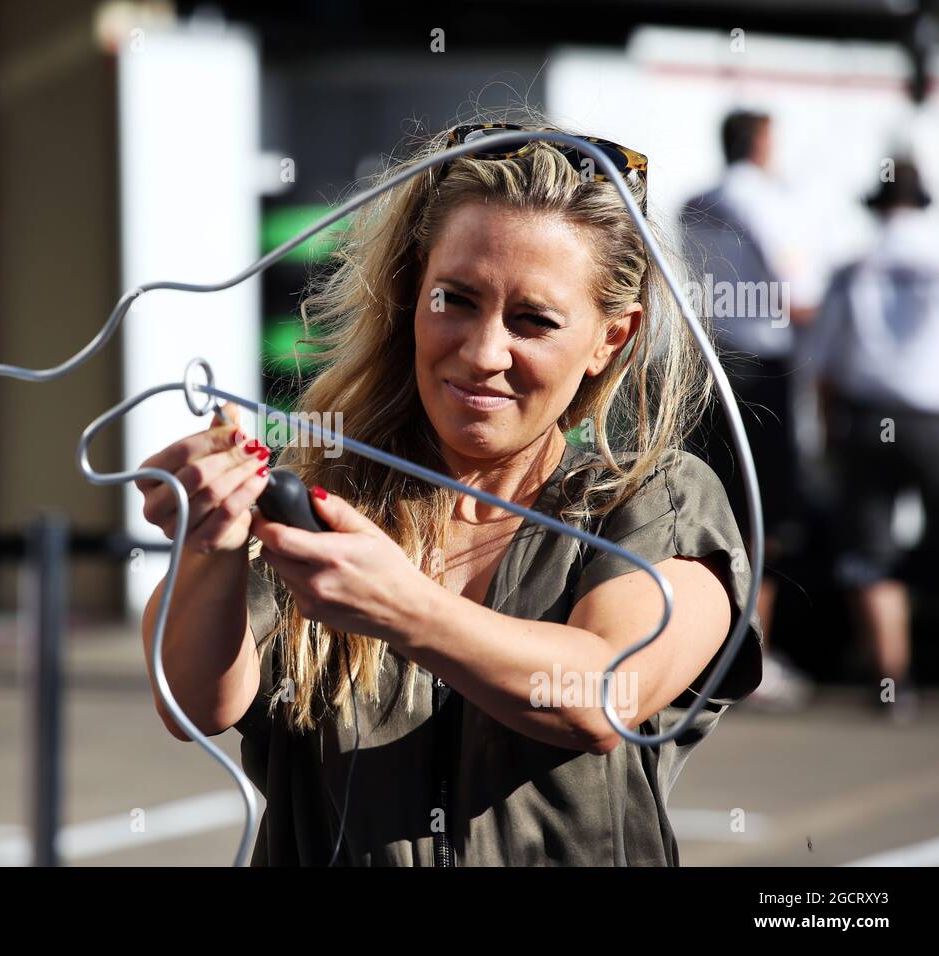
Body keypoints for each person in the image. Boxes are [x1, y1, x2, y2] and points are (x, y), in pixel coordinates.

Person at [137, 117, 763, 866]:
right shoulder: (318, 490)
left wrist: (404, 607)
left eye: (533, 320)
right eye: (455, 300)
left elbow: (603, 696)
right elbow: (196, 704)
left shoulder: (654, 501)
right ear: (412, 294)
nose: (482, 352)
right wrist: (213, 544)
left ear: (612, 339)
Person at [678, 109, 817, 712]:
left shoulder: (693, 200)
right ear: (761, 142)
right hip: (761, 371)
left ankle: (700, 648)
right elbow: (797, 290)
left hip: (709, 364)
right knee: (766, 518)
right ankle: (748, 653)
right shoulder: (760, 197)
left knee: (710, 506)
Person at [800, 158, 938, 724]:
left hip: (869, 419)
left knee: (871, 553)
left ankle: (893, 684)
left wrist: (829, 438)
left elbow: (823, 364)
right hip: (933, 419)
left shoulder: (853, 267)